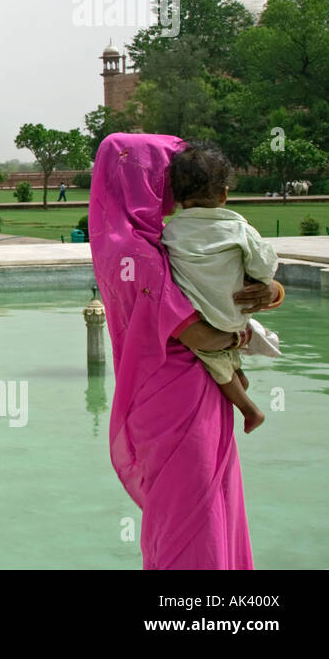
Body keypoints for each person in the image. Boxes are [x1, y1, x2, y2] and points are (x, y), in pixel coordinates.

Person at [89, 133, 281, 569]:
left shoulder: (149, 240)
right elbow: (199, 335)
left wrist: (270, 291)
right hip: (179, 396)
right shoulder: (137, 252)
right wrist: (242, 337)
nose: (172, 185)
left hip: (185, 393)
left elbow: (233, 286)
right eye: (165, 174)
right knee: (192, 519)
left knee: (205, 507)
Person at [161, 144, 281, 434]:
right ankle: (242, 383)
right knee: (222, 348)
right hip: (238, 314)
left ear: (176, 198)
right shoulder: (239, 228)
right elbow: (264, 266)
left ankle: (249, 409)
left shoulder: (168, 234)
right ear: (225, 193)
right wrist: (265, 284)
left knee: (212, 357)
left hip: (203, 322)